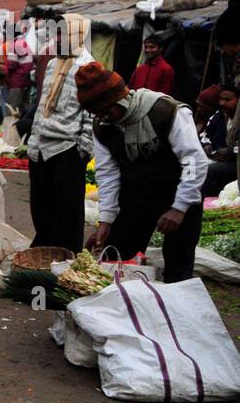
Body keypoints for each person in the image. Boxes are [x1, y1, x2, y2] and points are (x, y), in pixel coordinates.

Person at [79, 64, 207, 283]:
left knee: (178, 270)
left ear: (120, 99)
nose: (104, 117)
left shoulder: (167, 111)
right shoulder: (103, 126)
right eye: (97, 113)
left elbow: (194, 161)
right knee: (115, 261)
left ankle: (176, 313)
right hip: (136, 197)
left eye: (107, 110)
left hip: (178, 193)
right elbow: (107, 174)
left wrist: (180, 208)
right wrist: (106, 221)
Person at [27, 15, 95, 253]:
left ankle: (65, 255)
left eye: (62, 33)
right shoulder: (53, 63)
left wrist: (83, 150)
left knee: (67, 210)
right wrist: (32, 142)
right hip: (41, 147)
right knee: (41, 206)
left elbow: (91, 114)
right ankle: (44, 251)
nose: (57, 39)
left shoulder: (88, 67)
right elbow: (42, 104)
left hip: (67, 148)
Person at [197, 84, 239, 196]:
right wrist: (206, 145)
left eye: (227, 100)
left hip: (236, 163)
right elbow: (205, 135)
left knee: (207, 171)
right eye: (220, 99)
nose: (222, 103)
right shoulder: (219, 116)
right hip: (218, 159)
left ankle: (217, 201)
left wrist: (230, 151)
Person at [129, 30, 176, 95]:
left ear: (160, 48)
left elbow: (165, 95)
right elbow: (130, 89)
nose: (148, 50)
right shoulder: (139, 69)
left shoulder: (166, 69)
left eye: (152, 47)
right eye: (146, 47)